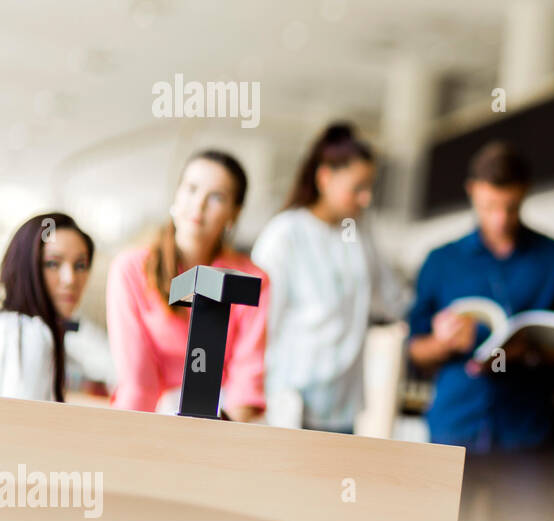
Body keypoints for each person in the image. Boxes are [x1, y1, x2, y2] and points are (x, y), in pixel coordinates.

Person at [407, 140, 554, 453]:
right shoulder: (440, 261)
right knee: (449, 504)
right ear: (472, 191)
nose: (500, 220)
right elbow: (414, 349)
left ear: (526, 192)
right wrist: (443, 343)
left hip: (526, 430)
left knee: (526, 506)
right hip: (455, 424)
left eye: (511, 207)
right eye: (489, 207)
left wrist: (530, 350)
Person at [251, 122, 408, 433]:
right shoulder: (286, 233)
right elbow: (260, 325)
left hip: (343, 407)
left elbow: (391, 300)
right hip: (292, 404)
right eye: (357, 188)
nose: (366, 199)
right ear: (325, 177)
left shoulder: (360, 232)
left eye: (370, 188)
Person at [107, 150, 269, 421]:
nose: (199, 204)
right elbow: (137, 381)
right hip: (148, 418)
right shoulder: (131, 270)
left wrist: (214, 436)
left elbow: (247, 382)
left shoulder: (253, 281)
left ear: (234, 213)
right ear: (176, 195)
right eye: (191, 189)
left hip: (221, 421)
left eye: (217, 197)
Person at [0, 212, 95, 402]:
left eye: (80, 265)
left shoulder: (15, 326)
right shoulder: (30, 333)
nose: (70, 280)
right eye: (53, 264)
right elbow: (23, 426)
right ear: (26, 267)